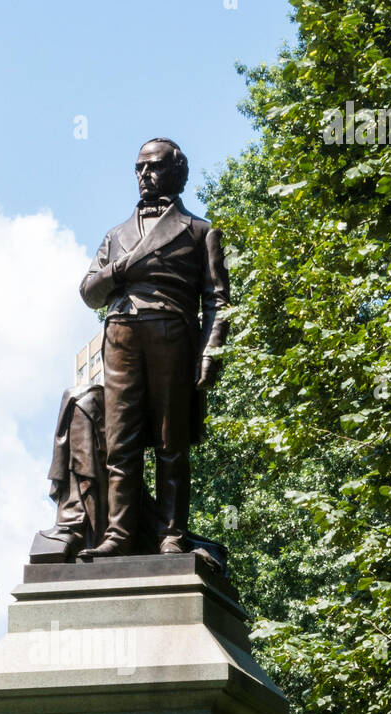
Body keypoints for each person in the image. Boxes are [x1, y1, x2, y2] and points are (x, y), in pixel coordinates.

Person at [78, 138, 230, 558]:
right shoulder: (116, 235)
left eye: (155, 168)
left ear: (177, 175)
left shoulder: (200, 231)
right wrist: (121, 267)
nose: (145, 176)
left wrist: (209, 353)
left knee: (170, 441)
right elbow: (90, 292)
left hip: (172, 334)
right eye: (139, 169)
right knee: (120, 439)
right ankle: (119, 534)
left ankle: (171, 535)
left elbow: (216, 299)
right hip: (121, 334)